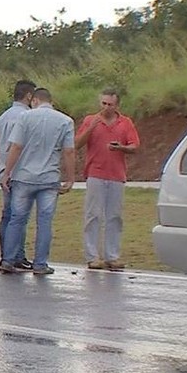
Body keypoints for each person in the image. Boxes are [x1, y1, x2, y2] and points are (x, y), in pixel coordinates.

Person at [0, 88, 75, 275]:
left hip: (24, 176)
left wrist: (7, 172)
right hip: (49, 177)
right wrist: (71, 178)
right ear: (51, 101)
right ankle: (40, 263)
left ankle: (8, 260)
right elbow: (69, 151)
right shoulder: (65, 121)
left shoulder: (25, 118)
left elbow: (16, 146)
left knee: (17, 219)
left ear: (34, 100)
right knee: (45, 221)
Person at [75, 89, 140, 271]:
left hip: (117, 174)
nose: (106, 107)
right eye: (103, 103)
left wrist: (122, 148)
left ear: (117, 105)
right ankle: (92, 256)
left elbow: (135, 146)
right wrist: (91, 127)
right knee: (93, 215)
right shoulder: (90, 120)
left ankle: (112, 255)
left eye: (110, 104)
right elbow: (77, 143)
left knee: (114, 217)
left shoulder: (125, 122)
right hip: (95, 173)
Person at [0, 80, 37, 270]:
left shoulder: (3, 117)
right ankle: (16, 255)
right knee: (19, 216)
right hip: (18, 171)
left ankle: (8, 253)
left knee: (8, 215)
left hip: (4, 168)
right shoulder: (26, 116)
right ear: (28, 96)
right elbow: (18, 146)